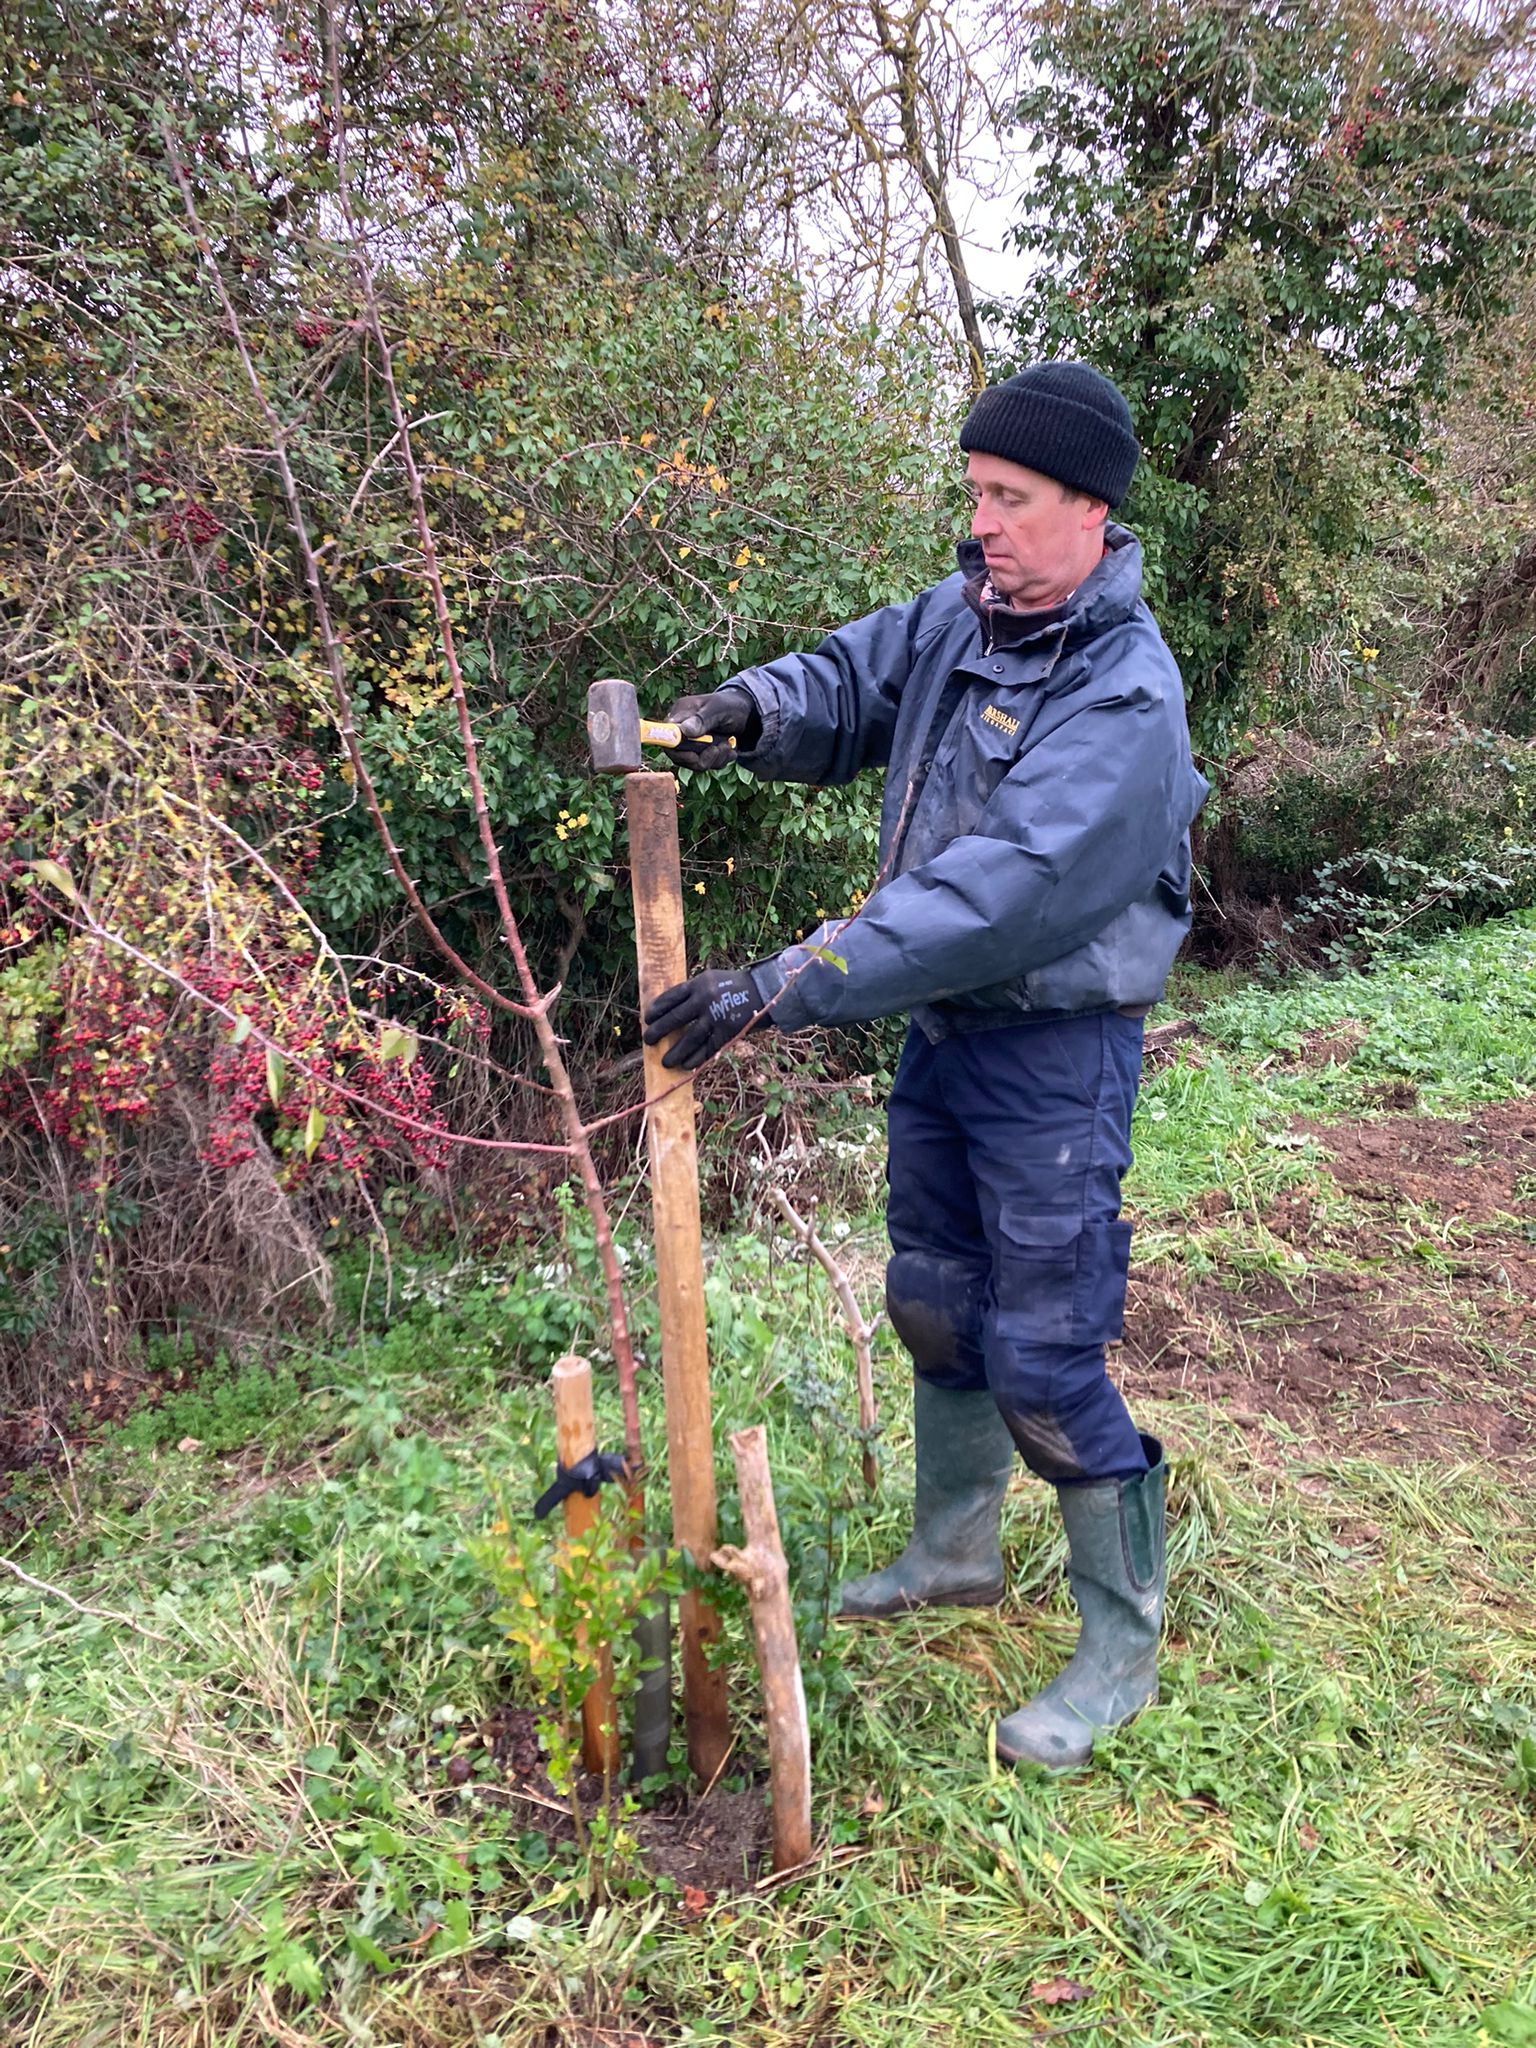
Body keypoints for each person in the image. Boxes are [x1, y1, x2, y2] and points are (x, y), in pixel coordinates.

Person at [641, 361, 1209, 1770]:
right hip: (951, 1030)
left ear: (1093, 509)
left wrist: (793, 979)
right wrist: (751, 712)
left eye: (1010, 499)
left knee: (1042, 1346)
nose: (984, 525)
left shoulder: (1124, 697)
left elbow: (999, 893)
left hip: (1056, 1052)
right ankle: (956, 1552)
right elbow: (851, 680)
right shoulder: (968, 619)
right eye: (973, 492)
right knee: (936, 1301)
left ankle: (1118, 1641)